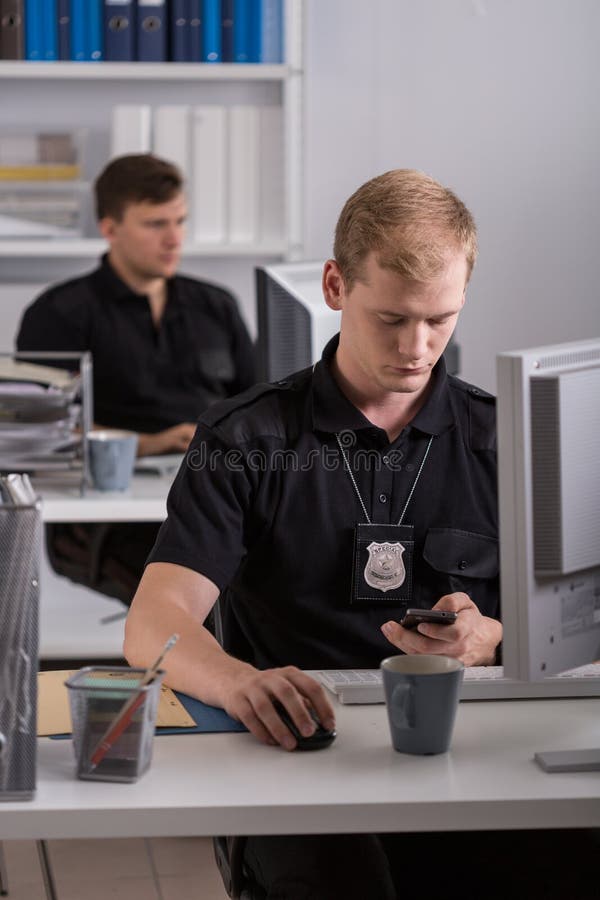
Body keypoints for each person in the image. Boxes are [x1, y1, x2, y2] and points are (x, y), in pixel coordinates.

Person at [123, 170, 594, 899]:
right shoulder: (245, 436)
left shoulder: (506, 437)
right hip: (295, 757)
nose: (419, 345)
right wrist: (239, 681)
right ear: (336, 287)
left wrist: (493, 639)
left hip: (467, 746)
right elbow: (155, 621)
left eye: (442, 318)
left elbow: (581, 622)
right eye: (393, 318)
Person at [16, 153, 256, 605]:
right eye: (155, 224)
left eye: (180, 221)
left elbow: (260, 410)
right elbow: (41, 438)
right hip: (104, 523)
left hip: (211, 497)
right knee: (200, 602)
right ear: (110, 229)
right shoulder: (59, 314)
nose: (174, 239)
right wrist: (156, 442)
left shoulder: (216, 306)